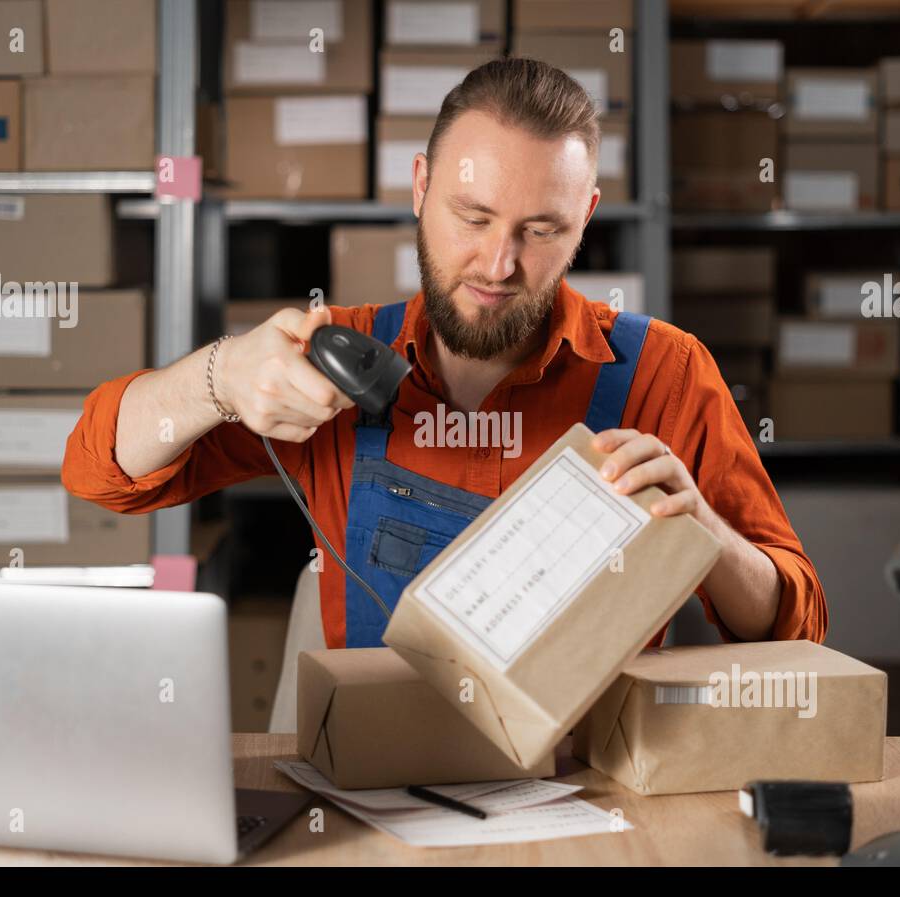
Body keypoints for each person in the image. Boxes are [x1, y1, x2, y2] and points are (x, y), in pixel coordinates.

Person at [62, 57, 827, 649]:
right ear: (421, 187)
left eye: (541, 230)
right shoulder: (332, 357)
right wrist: (219, 377)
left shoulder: (664, 371)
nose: (499, 265)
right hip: (375, 795)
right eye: (474, 216)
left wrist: (708, 539)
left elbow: (796, 628)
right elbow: (99, 473)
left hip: (589, 798)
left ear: (586, 218)